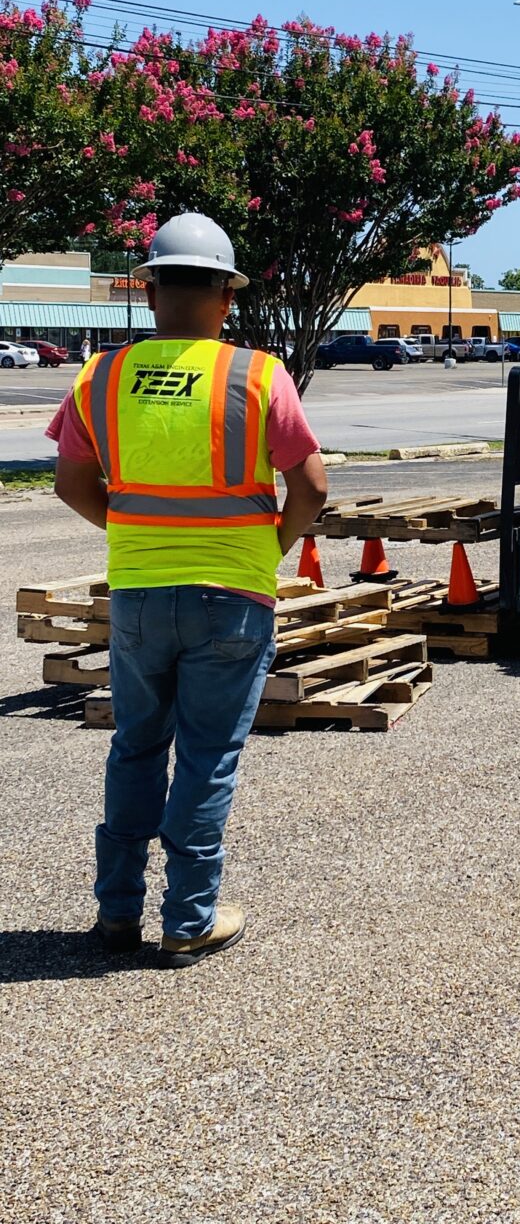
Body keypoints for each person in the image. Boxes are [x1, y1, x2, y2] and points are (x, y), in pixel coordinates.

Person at [46, 214, 328, 968]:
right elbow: (312, 487)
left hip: (139, 593)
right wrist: (267, 545)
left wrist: (132, 531)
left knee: (136, 746)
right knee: (206, 756)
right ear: (226, 298)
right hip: (233, 596)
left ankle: (115, 914)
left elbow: (71, 482)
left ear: (150, 292)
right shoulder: (258, 375)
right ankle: (187, 920)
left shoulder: (100, 377)